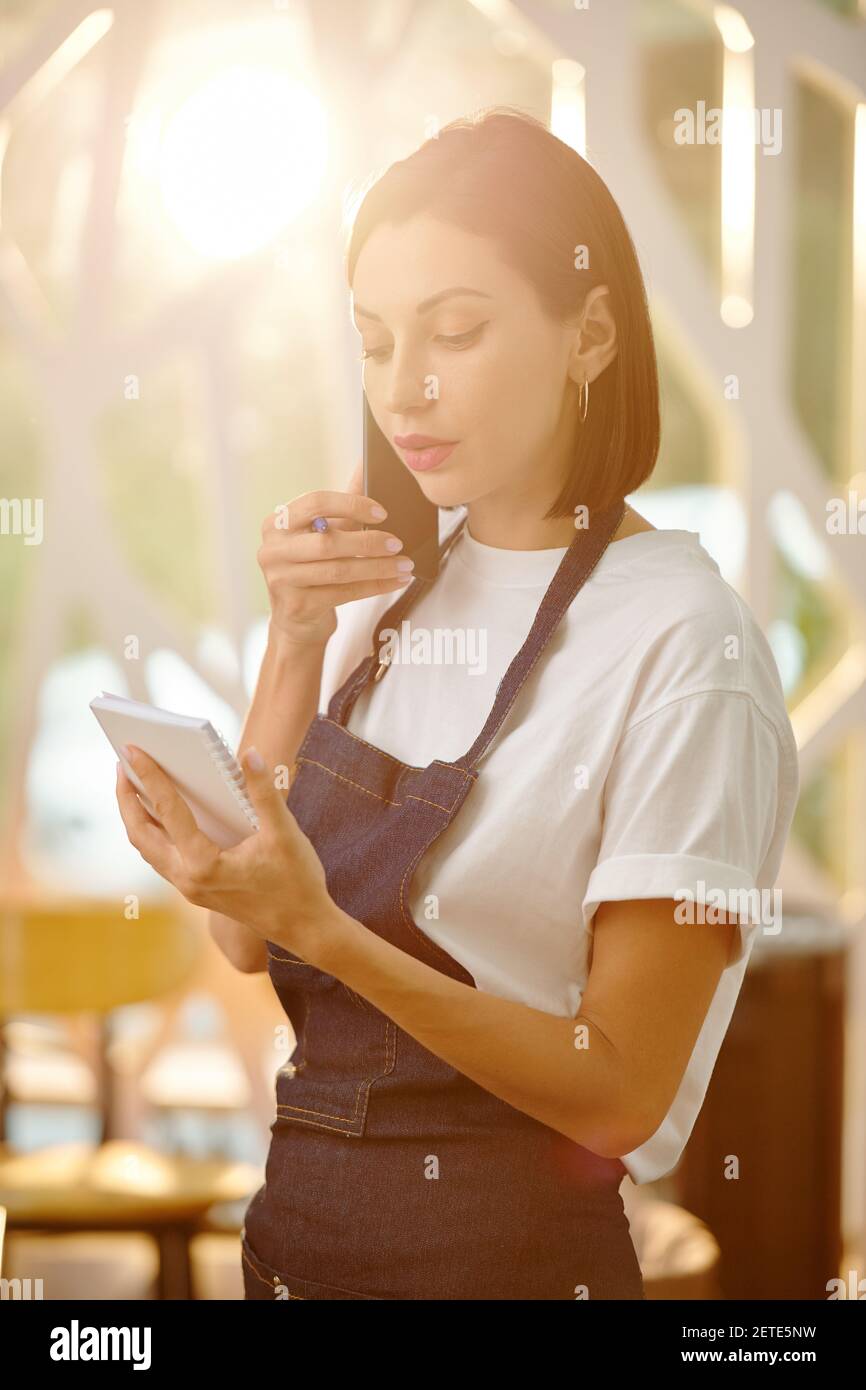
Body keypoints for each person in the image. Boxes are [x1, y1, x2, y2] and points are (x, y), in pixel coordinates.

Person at [116, 108, 799, 1300]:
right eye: (374, 343)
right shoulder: (390, 599)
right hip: (292, 1264)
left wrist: (331, 934)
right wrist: (293, 641)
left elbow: (622, 1090)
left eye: (456, 331)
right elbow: (244, 935)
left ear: (589, 332)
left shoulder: (686, 646)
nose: (404, 388)